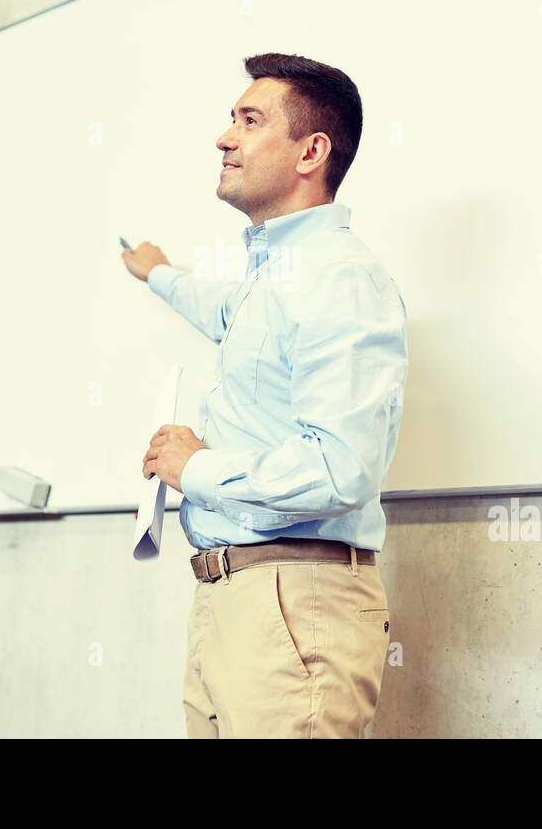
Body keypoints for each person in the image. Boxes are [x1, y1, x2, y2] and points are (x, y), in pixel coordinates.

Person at [122, 52, 408, 738]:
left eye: (250, 121)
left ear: (311, 151)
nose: (225, 138)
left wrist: (194, 468)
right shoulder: (275, 279)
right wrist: (159, 274)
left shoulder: (338, 278)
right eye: (231, 120)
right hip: (232, 597)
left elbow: (341, 468)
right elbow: (227, 314)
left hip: (293, 603)